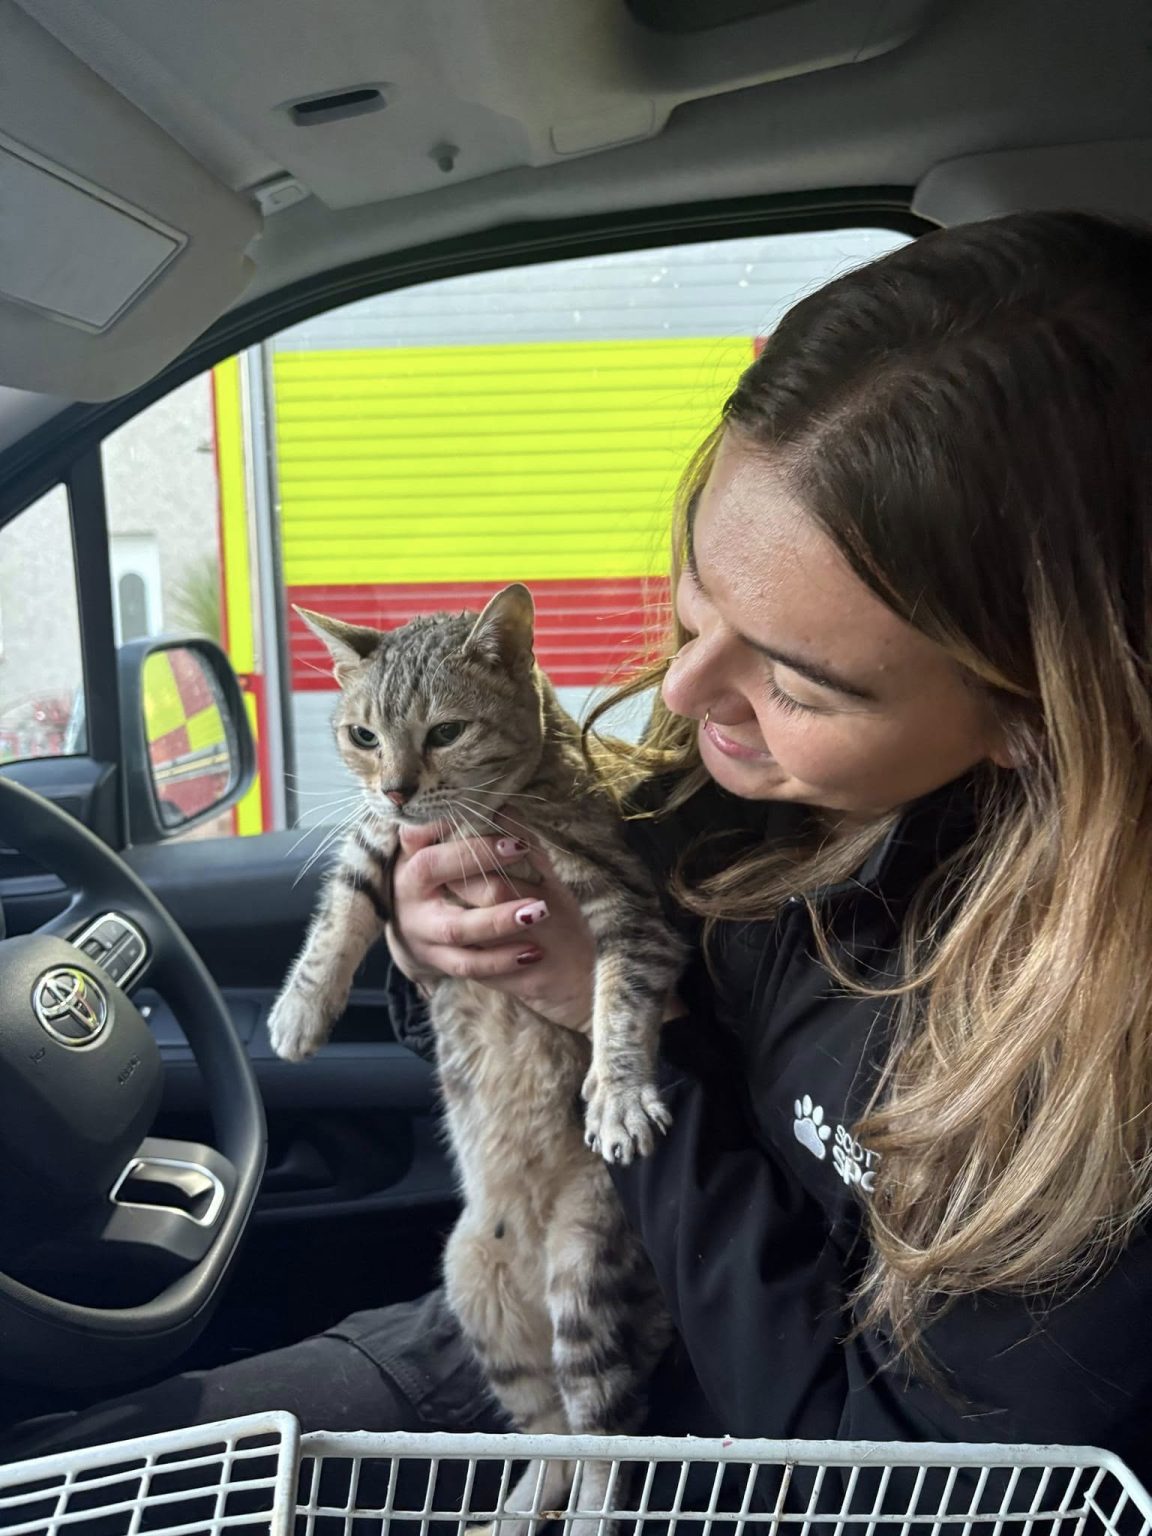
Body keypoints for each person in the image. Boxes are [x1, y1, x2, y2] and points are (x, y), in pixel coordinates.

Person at [6, 210, 1152, 1491]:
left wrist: (640, 1048)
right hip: (528, 1332)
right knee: (61, 1475)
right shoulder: (735, 797)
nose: (680, 695)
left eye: (800, 680)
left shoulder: (1090, 1077)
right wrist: (446, 954)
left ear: (1032, 715)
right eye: (695, 598)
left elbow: (901, 1478)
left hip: (732, 1452)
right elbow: (541, 970)